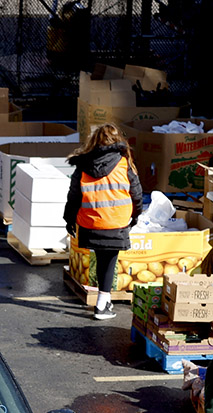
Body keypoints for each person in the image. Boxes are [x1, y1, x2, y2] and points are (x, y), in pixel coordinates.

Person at [63, 122, 142, 321]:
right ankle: (102, 303)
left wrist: (69, 220)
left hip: (91, 222)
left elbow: (74, 196)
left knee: (101, 258)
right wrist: (136, 215)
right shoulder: (124, 163)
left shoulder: (83, 165)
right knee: (109, 259)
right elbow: (137, 193)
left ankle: (103, 301)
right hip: (117, 221)